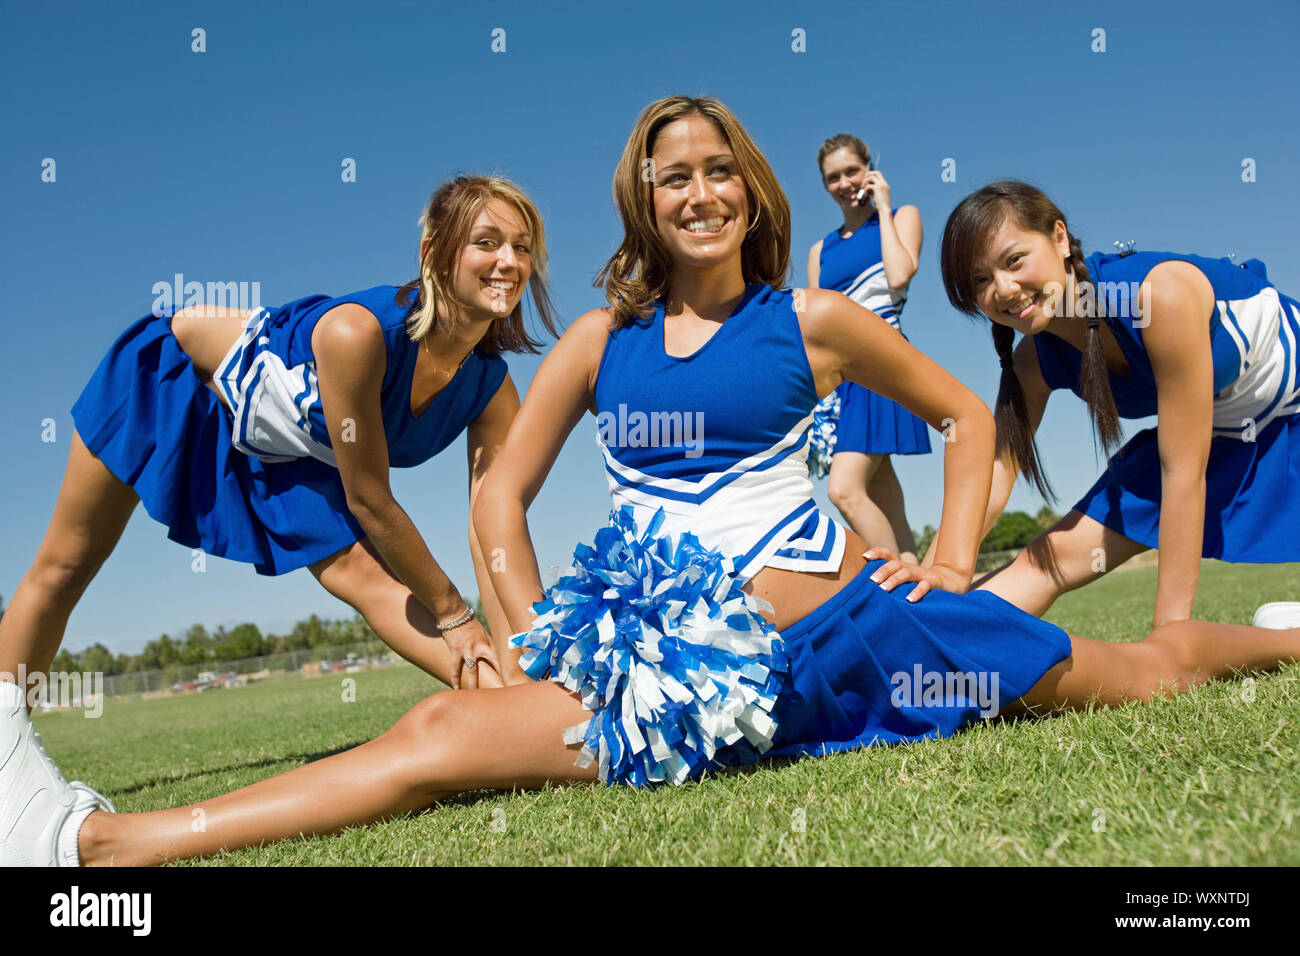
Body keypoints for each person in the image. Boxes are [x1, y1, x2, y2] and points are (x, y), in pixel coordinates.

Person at [5, 99, 1299, 867]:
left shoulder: (811, 318)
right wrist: (518, 637)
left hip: (873, 629)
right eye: (672, 173)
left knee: (1141, 668)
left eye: (718, 168)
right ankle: (102, 847)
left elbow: (967, 416)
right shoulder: (595, 345)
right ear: (644, 198)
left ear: (749, 191)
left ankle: (1276, 640)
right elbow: (500, 496)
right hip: (679, 681)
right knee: (443, 736)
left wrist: (951, 561)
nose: (697, 189)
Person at [0, 176, 560, 702]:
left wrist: (528, 652)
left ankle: (511, 708)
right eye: (487, 242)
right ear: (433, 252)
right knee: (66, 564)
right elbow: (368, 498)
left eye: (522, 246)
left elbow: (492, 522)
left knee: (364, 575)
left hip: (295, 442)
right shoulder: (356, 333)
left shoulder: (491, 389)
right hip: (181, 379)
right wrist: (454, 612)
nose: (509, 262)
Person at [934, 180, 1300, 629]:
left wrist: (1170, 635)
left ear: (1060, 238)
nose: (1004, 289)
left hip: (1287, 405)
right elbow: (993, 476)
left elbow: (1183, 474)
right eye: (980, 280)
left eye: (1014, 260)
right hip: (1217, 430)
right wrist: (934, 572)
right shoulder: (1034, 361)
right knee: (1054, 557)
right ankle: (918, 638)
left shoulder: (1157, 296)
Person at [808, 135, 930, 562]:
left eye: (851, 171)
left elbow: (899, 276)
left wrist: (882, 207)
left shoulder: (901, 217)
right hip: (842, 381)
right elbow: (814, 328)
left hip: (882, 360)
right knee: (884, 496)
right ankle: (931, 600)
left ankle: (900, 597)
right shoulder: (820, 251)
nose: (843, 182)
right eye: (832, 177)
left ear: (870, 169)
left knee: (844, 490)